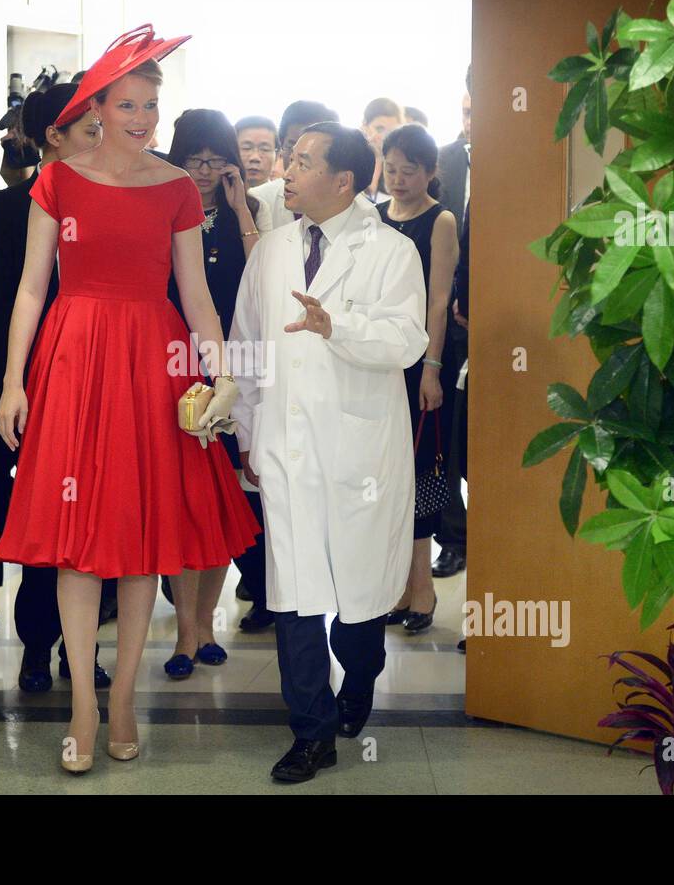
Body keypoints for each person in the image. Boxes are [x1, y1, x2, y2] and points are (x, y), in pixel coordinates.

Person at [0, 25, 261, 774]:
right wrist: (13, 382)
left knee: (141, 534)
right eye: (128, 104)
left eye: (151, 104)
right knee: (78, 540)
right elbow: (30, 287)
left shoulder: (177, 186)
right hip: (74, 356)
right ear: (98, 108)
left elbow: (198, 298)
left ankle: (122, 700)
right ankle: (84, 699)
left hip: (152, 360)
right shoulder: (59, 180)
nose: (142, 118)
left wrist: (219, 371)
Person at [230, 122, 427, 783]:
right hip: (286, 447)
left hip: (360, 453)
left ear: (342, 181)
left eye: (301, 161)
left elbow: (406, 342)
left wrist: (334, 325)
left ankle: (362, 676)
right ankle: (311, 732)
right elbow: (247, 345)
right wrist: (245, 429)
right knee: (293, 592)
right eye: (287, 159)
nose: (285, 170)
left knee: (358, 600)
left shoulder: (392, 252)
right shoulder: (271, 251)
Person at [0, 80, 118, 693]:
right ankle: (37, 645)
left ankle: (83, 650)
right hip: (32, 386)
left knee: (101, 516)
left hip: (104, 382)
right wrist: (8, 384)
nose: (102, 139)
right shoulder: (5, 211)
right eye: (89, 130)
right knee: (44, 518)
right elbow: (2, 301)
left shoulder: (119, 198)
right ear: (52, 138)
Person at [161, 109, 269, 674]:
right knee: (183, 501)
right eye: (193, 161)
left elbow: (266, 285)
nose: (202, 172)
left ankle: (206, 624)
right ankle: (184, 632)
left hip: (237, 368)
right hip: (174, 364)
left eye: (213, 161)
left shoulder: (246, 214)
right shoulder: (159, 207)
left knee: (224, 500)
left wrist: (240, 209)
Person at [373, 125, 459, 634]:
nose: (399, 179)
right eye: (391, 168)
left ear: (430, 172)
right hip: (379, 360)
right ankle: (401, 586)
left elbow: (438, 301)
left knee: (421, 470)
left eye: (410, 170)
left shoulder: (440, 219)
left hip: (417, 365)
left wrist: (432, 367)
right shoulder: (375, 216)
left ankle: (422, 589)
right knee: (388, 475)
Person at [433, 78, 472, 581]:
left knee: (477, 443)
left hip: (498, 325)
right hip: (445, 322)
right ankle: (453, 537)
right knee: (442, 436)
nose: (470, 119)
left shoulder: (520, 161)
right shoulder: (443, 160)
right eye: (465, 109)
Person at [249, 101, 376, 233]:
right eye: (292, 148)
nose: (287, 174)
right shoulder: (257, 201)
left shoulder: (366, 213)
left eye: (304, 161)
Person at [360, 97, 403, 201]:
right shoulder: (349, 161)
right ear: (364, 126)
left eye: (391, 131)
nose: (384, 137)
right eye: (379, 129)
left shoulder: (403, 168)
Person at [234, 115, 279, 189]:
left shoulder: (286, 198)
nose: (255, 158)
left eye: (265, 149)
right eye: (246, 148)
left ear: (277, 156)